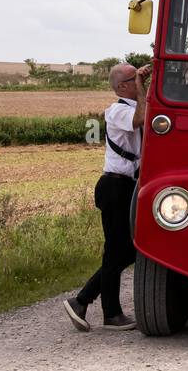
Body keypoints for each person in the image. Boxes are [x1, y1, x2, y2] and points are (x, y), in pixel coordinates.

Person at [64, 63, 151, 331]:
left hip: (126, 186)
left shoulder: (132, 105)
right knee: (119, 251)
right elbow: (141, 118)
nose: (138, 81)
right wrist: (142, 88)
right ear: (122, 86)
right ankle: (95, 306)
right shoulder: (117, 111)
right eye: (133, 78)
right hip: (114, 186)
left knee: (125, 251)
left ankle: (91, 305)